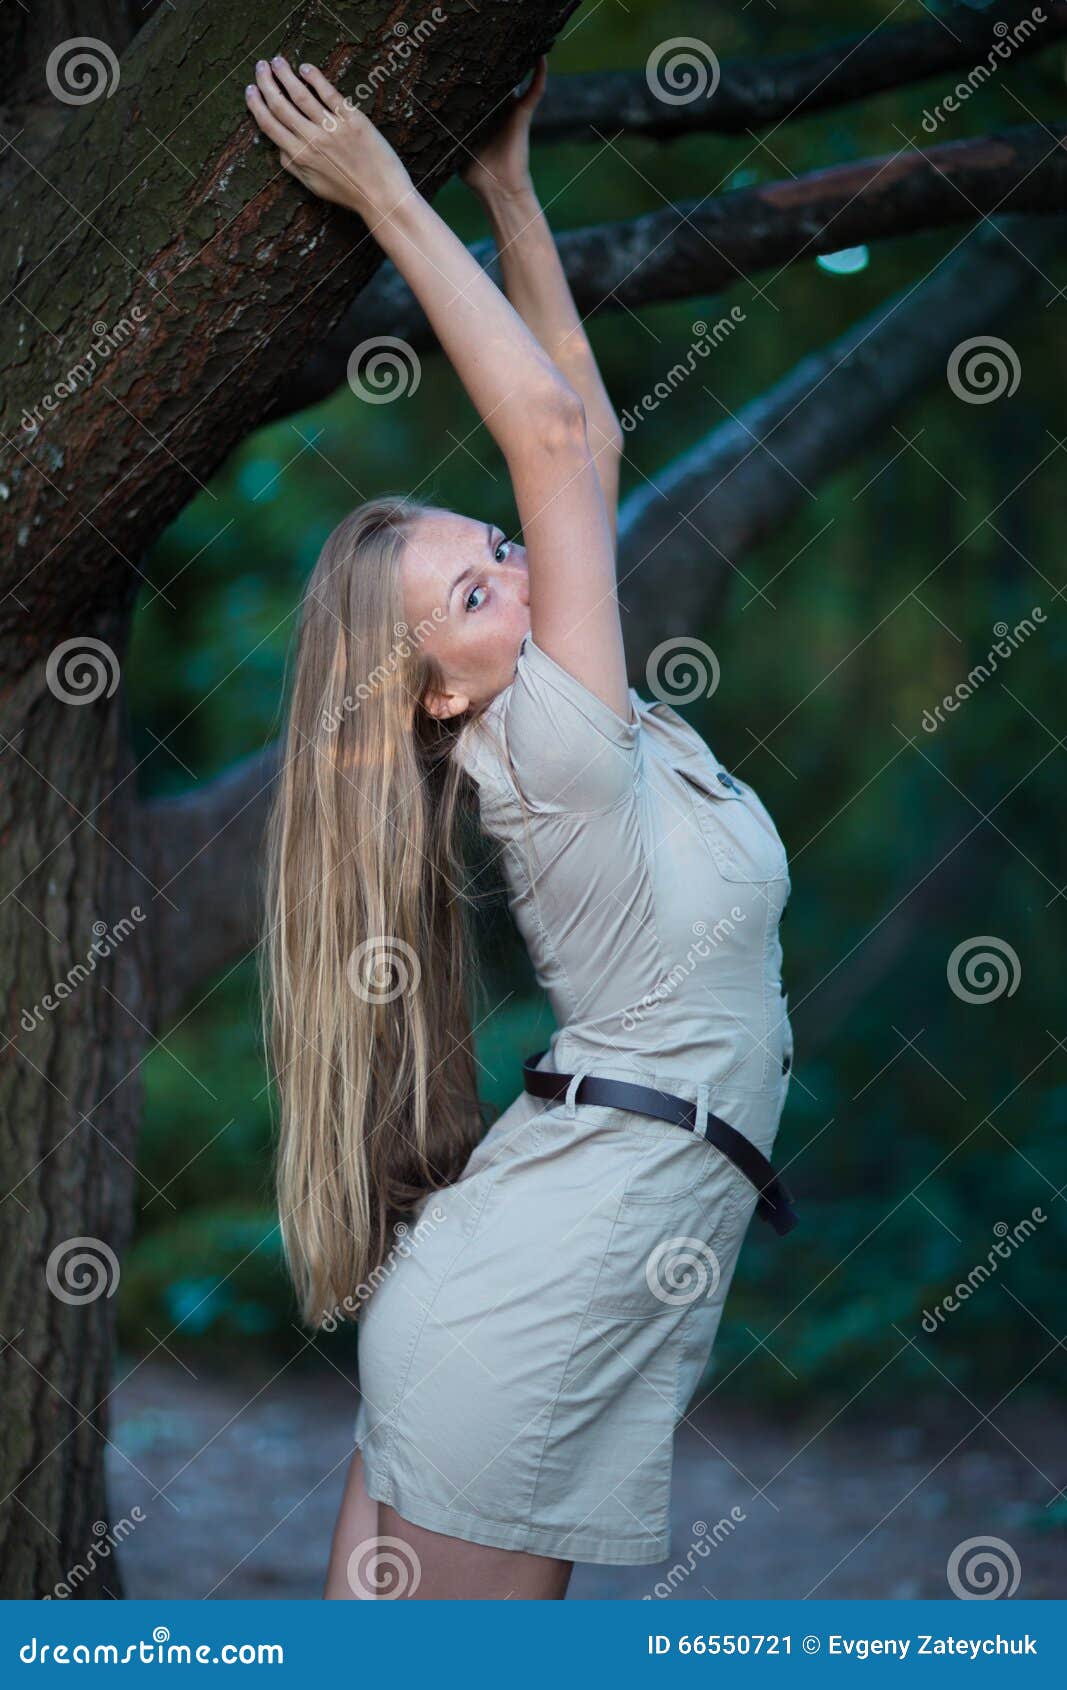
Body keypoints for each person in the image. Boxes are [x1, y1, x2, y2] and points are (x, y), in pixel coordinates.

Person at [251, 52, 793, 1602]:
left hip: (548, 1257)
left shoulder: (586, 712)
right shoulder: (539, 745)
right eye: (469, 600)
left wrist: (507, 190)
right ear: (430, 695)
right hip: (534, 1297)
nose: (516, 569)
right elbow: (551, 443)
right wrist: (382, 196)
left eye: (493, 549)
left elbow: (584, 443)